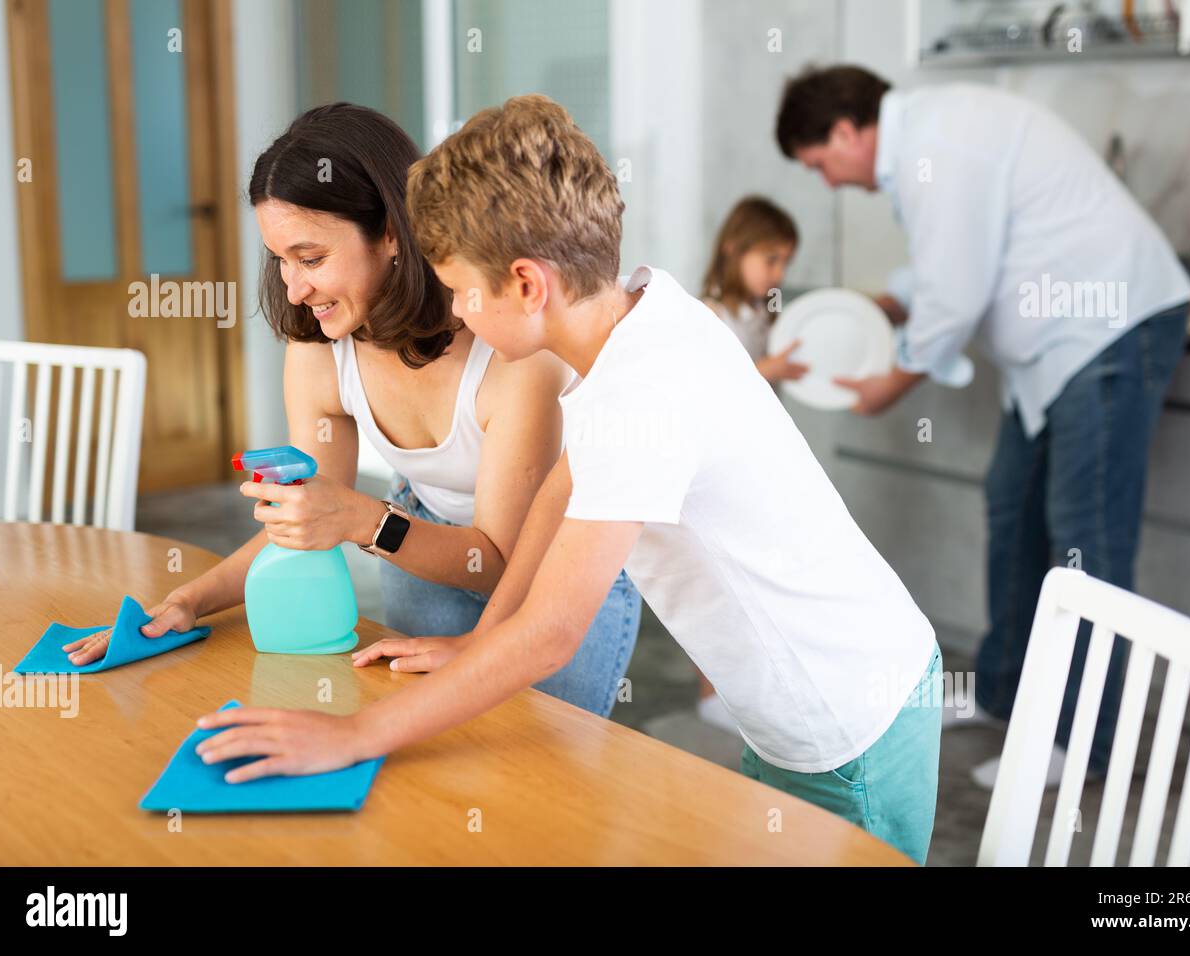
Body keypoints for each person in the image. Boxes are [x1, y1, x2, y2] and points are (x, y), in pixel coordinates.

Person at [194, 95, 944, 865]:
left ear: (526, 284)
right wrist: (480, 640)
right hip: (798, 701)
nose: (451, 308)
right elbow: (560, 488)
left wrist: (351, 736)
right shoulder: (639, 316)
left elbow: (551, 636)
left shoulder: (639, 398)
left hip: (847, 723)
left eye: (460, 290)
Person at [62, 102, 641, 718]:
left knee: (549, 776)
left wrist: (365, 522)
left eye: (311, 259)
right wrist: (188, 601)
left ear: (392, 233)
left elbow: (496, 561)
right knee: (451, 771)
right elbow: (309, 518)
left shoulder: (510, 342)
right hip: (417, 547)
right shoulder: (320, 347)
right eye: (280, 260)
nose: (293, 288)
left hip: (554, 570)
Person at [776, 65, 1190, 787]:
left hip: (1109, 326)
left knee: (1085, 538)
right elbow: (950, 265)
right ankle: (999, 693)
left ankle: (1083, 742)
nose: (831, 182)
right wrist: (874, 307)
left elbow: (957, 292)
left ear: (847, 131)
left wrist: (891, 383)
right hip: (1055, 352)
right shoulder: (929, 143)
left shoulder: (940, 143)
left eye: (821, 164)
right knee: (1013, 505)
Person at [700, 196, 807, 385]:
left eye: (786, 263)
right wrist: (763, 371)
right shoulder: (710, 316)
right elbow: (705, 388)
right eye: (771, 260)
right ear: (733, 249)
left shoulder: (765, 307)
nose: (779, 275)